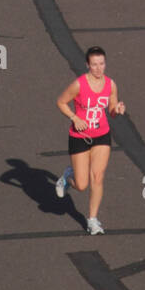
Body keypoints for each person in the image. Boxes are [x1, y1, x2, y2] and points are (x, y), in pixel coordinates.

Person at [54, 46, 126, 236]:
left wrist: (117, 110)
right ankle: (66, 178)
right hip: (80, 137)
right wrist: (75, 118)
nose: (98, 68)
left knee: (98, 177)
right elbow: (61, 102)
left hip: (101, 135)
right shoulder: (79, 85)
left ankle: (92, 220)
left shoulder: (111, 84)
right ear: (87, 65)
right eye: (94, 64)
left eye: (101, 63)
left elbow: (111, 108)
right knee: (82, 184)